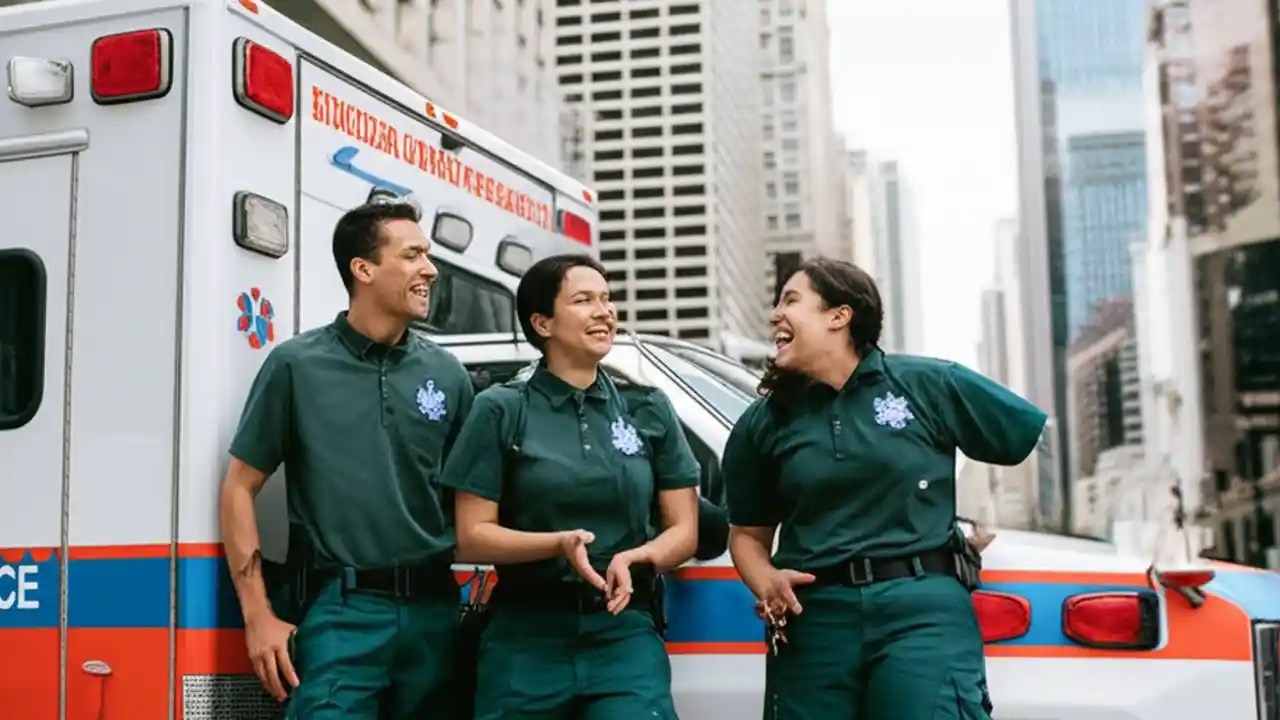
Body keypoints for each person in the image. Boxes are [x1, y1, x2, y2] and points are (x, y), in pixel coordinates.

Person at [723, 257, 1047, 720]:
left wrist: (970, 516)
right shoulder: (763, 422)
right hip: (814, 622)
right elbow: (747, 535)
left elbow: (1027, 436)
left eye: (791, 301)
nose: (776, 314)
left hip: (921, 614)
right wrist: (765, 580)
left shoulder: (928, 384)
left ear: (839, 315)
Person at [218, 189, 475, 719]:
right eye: (412, 255)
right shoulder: (297, 365)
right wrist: (258, 616)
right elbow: (240, 486)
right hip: (341, 611)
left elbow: (478, 501)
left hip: (435, 613)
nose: (429, 269)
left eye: (427, 255)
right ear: (363, 268)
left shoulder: (448, 374)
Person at [439, 253, 701, 719]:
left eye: (607, 299)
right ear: (542, 322)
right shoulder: (500, 409)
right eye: (584, 300)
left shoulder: (649, 408)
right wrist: (558, 544)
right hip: (524, 635)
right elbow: (470, 535)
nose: (604, 311)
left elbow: (685, 529)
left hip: (624, 632)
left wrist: (641, 556)